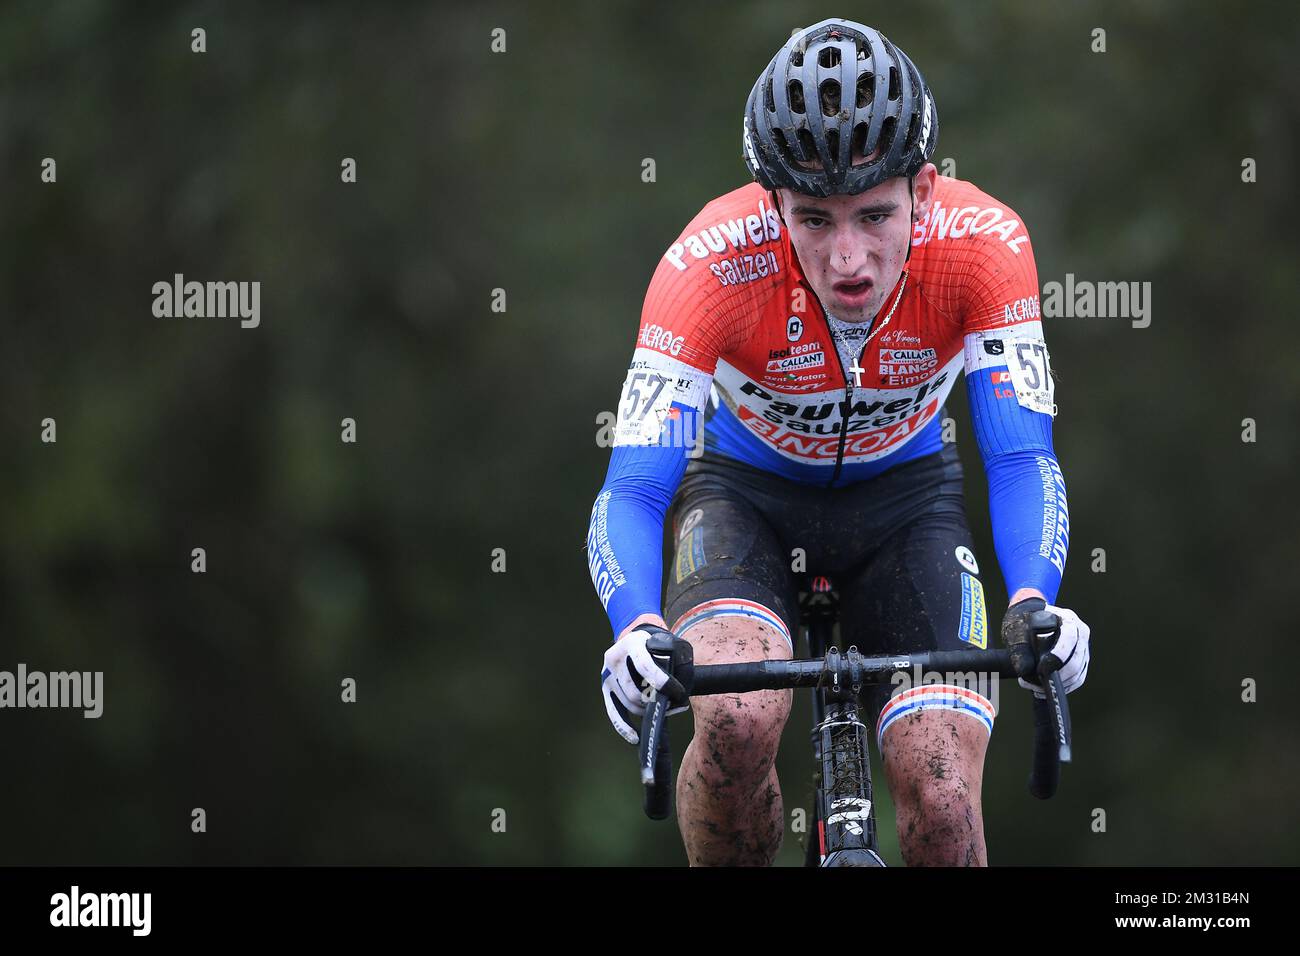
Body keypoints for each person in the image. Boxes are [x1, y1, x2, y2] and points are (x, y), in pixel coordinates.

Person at [586, 18, 1090, 866]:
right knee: (737, 721)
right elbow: (632, 490)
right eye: (814, 220)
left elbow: (1020, 455)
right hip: (747, 503)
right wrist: (634, 624)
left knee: (943, 799)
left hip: (909, 510)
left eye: (877, 214)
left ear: (925, 189)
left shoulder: (986, 247)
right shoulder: (707, 265)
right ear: (771, 201)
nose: (849, 256)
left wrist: (1036, 602)